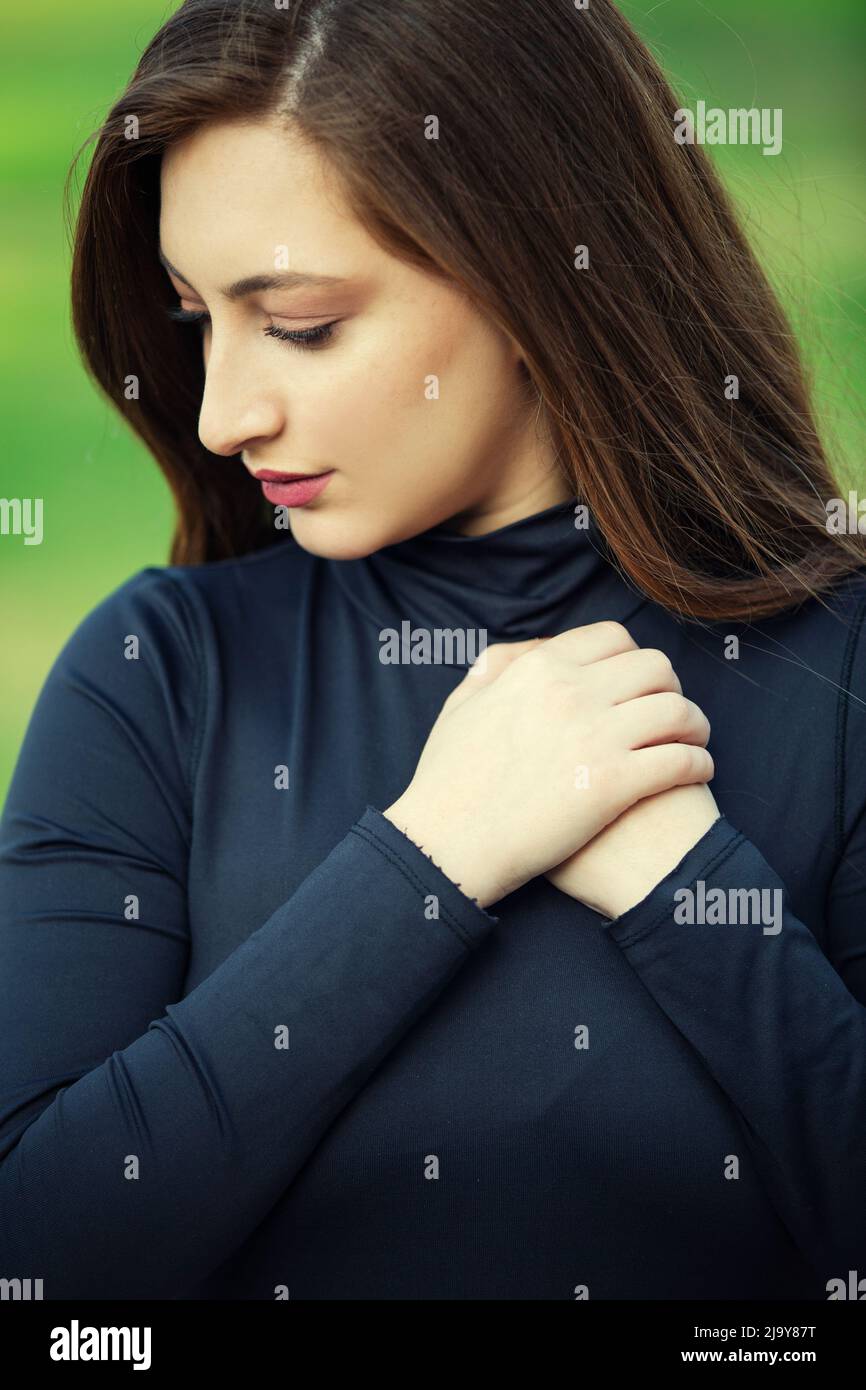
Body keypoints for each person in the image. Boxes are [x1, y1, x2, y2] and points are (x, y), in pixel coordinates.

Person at [1, 0, 865, 1301]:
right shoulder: (157, 671)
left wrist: (691, 893)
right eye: (193, 320)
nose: (222, 413)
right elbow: (40, 1262)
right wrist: (432, 856)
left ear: (532, 277)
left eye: (296, 323)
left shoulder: (840, 672)